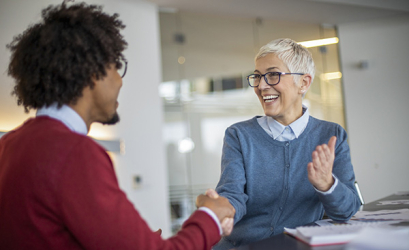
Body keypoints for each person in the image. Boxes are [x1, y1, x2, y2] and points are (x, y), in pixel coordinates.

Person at [0, 2, 234, 250]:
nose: (120, 81)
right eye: (115, 67)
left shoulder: (8, 145)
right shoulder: (75, 153)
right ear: (93, 72)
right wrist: (209, 217)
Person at [213, 38, 361, 249]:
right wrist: (220, 210)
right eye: (257, 76)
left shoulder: (331, 135)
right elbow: (232, 195)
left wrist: (327, 185)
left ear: (304, 83)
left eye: (273, 75)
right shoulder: (239, 135)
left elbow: (348, 210)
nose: (262, 86)